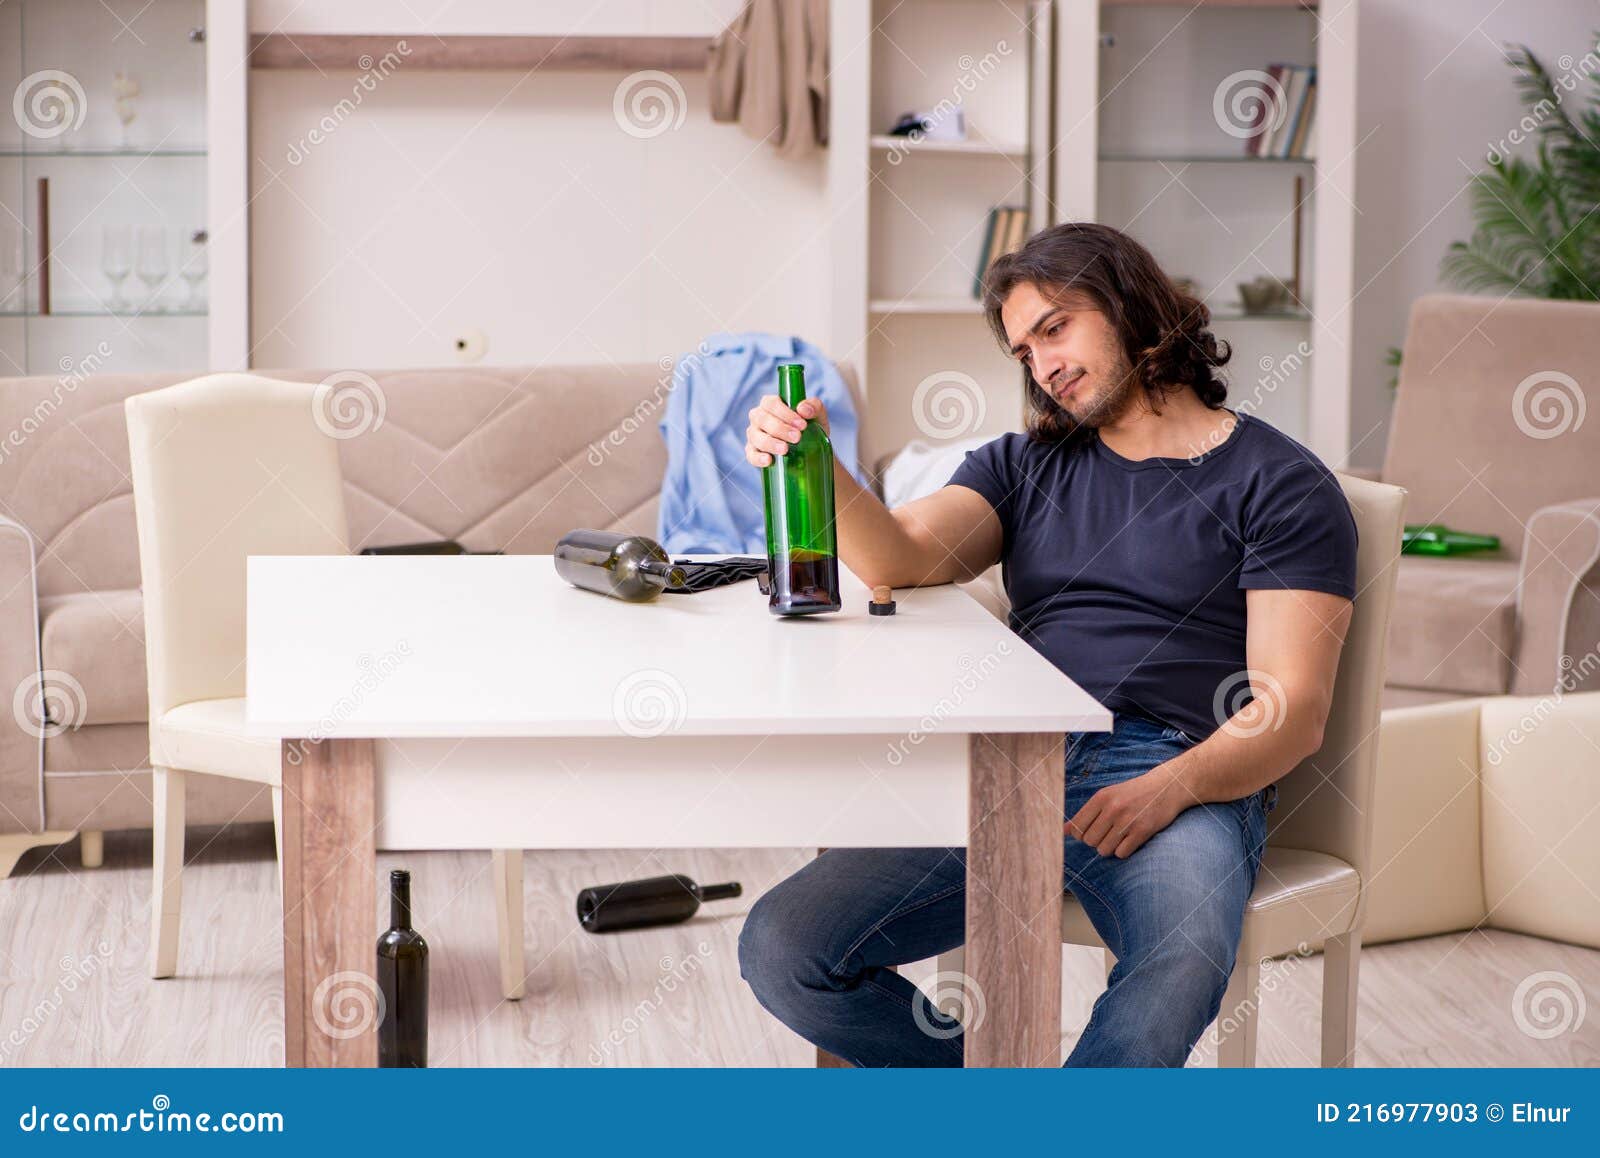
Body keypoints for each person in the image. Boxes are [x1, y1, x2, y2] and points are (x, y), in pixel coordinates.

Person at [735, 221, 1358, 1067]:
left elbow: (1293, 708)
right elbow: (900, 555)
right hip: (1013, 759)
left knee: (1177, 960)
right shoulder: (1025, 466)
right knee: (785, 946)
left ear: (1131, 306)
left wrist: (1168, 788)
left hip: (1177, 769)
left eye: (1056, 328)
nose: (1043, 365)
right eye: (1025, 350)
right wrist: (817, 463)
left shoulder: (1279, 484)